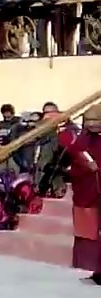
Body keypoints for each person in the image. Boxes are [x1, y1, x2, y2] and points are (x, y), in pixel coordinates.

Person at [63, 104, 101, 284]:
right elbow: (76, 158)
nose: (93, 125)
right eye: (90, 121)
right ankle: (97, 272)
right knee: (90, 235)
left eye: (97, 121)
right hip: (88, 192)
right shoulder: (82, 140)